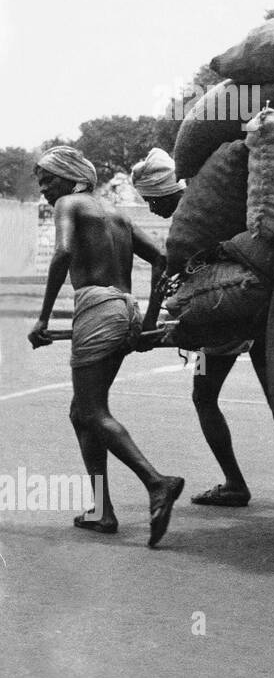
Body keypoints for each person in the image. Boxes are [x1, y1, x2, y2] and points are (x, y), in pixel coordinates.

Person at [27, 146, 184, 545]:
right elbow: (162, 259)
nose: (44, 188)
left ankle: (157, 482)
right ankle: (102, 512)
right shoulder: (117, 213)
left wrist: (43, 318)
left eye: (48, 178)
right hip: (124, 309)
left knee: (92, 411)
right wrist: (146, 322)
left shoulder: (70, 203)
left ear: (70, 177)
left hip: (98, 309)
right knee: (82, 412)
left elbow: (62, 253)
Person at [133, 148, 264, 506]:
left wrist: (148, 324)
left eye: (150, 200)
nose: (151, 209)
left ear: (162, 192)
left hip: (226, 323)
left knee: (203, 396)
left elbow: (165, 267)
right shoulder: (211, 202)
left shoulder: (191, 217)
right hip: (254, 314)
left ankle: (235, 483)